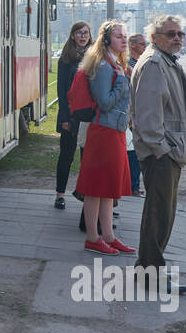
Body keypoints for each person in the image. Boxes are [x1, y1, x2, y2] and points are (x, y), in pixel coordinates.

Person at [131, 14, 186, 294]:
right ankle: (151, 274)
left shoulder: (166, 61)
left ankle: (146, 269)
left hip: (169, 151)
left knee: (161, 214)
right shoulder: (155, 64)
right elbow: (147, 117)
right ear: (155, 37)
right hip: (162, 154)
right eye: (170, 34)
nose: (177, 38)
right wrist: (161, 151)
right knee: (159, 216)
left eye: (180, 34)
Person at [75, 20, 134, 254]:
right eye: (119, 36)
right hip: (104, 131)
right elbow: (105, 102)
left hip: (114, 131)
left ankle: (108, 236)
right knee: (95, 187)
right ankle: (92, 237)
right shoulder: (104, 66)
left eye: (124, 35)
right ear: (107, 40)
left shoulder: (114, 63)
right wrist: (121, 80)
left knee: (108, 187)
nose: (124, 39)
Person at [53, 22, 92, 210]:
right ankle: (60, 194)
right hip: (70, 114)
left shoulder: (94, 57)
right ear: (72, 36)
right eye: (79, 33)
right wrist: (65, 118)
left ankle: (88, 199)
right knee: (66, 156)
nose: (83, 36)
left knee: (88, 159)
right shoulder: (65, 59)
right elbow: (61, 91)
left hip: (88, 115)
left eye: (86, 33)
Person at [126, 32, 148, 197]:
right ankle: (132, 186)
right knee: (132, 152)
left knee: (136, 151)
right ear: (132, 45)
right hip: (130, 115)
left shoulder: (140, 63)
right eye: (142, 44)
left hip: (139, 113)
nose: (145, 47)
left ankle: (133, 185)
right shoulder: (128, 64)